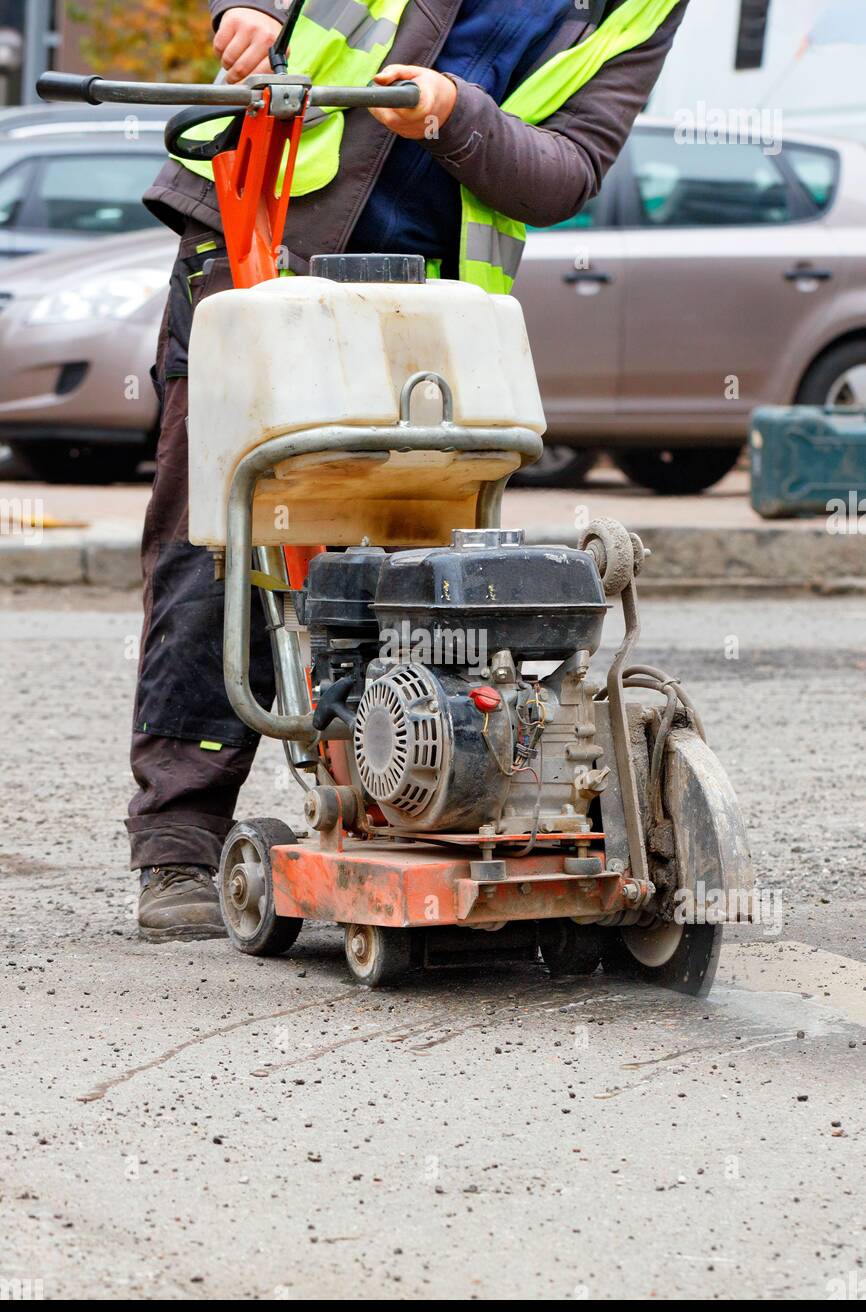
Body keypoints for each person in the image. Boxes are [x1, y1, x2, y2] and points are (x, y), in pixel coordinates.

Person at [130, 0, 690, 941]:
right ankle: (180, 839)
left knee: (412, 565)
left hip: (429, 302)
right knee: (223, 535)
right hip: (260, 234)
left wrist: (453, 113)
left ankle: (402, 796)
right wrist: (254, 11)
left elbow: (568, 171)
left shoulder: (639, 10)